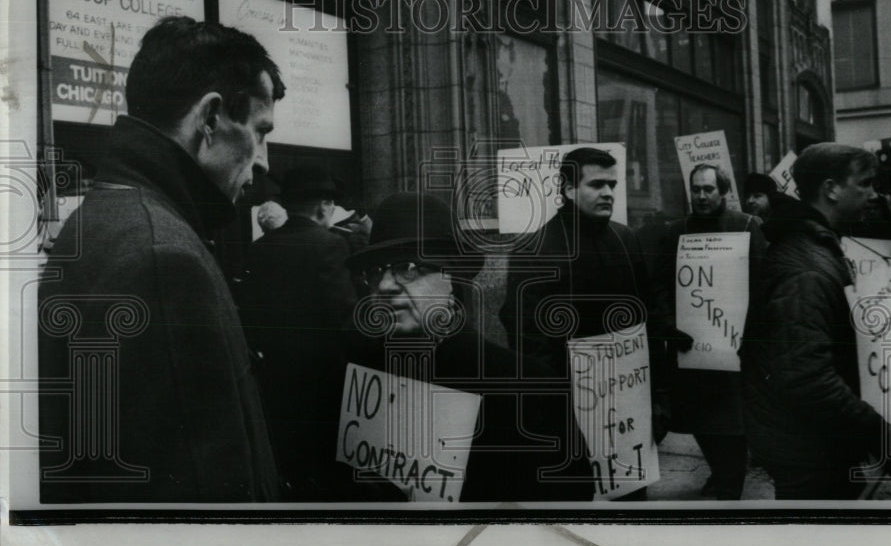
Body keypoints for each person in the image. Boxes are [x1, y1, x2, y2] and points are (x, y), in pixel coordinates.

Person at [38, 16, 284, 502]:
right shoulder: (164, 260)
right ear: (210, 119)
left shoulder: (105, 216)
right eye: (260, 131)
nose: (263, 161)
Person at [343, 192, 593, 502]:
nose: (384, 285)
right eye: (376, 271)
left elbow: (566, 500)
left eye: (407, 267)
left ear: (452, 278)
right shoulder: (359, 375)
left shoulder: (525, 384)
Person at [499, 147, 669, 498]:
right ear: (568, 188)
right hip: (570, 417)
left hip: (628, 416)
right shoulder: (535, 250)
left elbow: (648, 322)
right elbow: (529, 344)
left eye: (612, 184)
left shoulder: (626, 239)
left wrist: (660, 400)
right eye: (596, 184)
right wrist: (553, 419)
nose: (608, 193)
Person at [740, 143, 891, 499]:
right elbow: (807, 376)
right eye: (863, 183)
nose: (873, 193)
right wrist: (879, 433)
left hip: (813, 442)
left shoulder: (815, 246)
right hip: (807, 451)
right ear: (831, 189)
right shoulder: (807, 268)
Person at [238, 164, 358, 500]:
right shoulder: (330, 246)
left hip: (274, 384)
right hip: (323, 387)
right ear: (323, 206)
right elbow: (345, 320)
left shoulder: (260, 249)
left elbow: (250, 317)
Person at [655, 164, 767, 500]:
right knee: (699, 418)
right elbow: (660, 285)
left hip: (734, 344)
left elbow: (762, 282)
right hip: (692, 345)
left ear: (723, 191)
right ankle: (721, 471)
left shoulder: (746, 226)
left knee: (733, 420)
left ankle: (729, 481)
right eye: (696, 190)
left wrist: (753, 334)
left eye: (708, 189)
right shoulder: (677, 230)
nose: (701, 196)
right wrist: (668, 325)